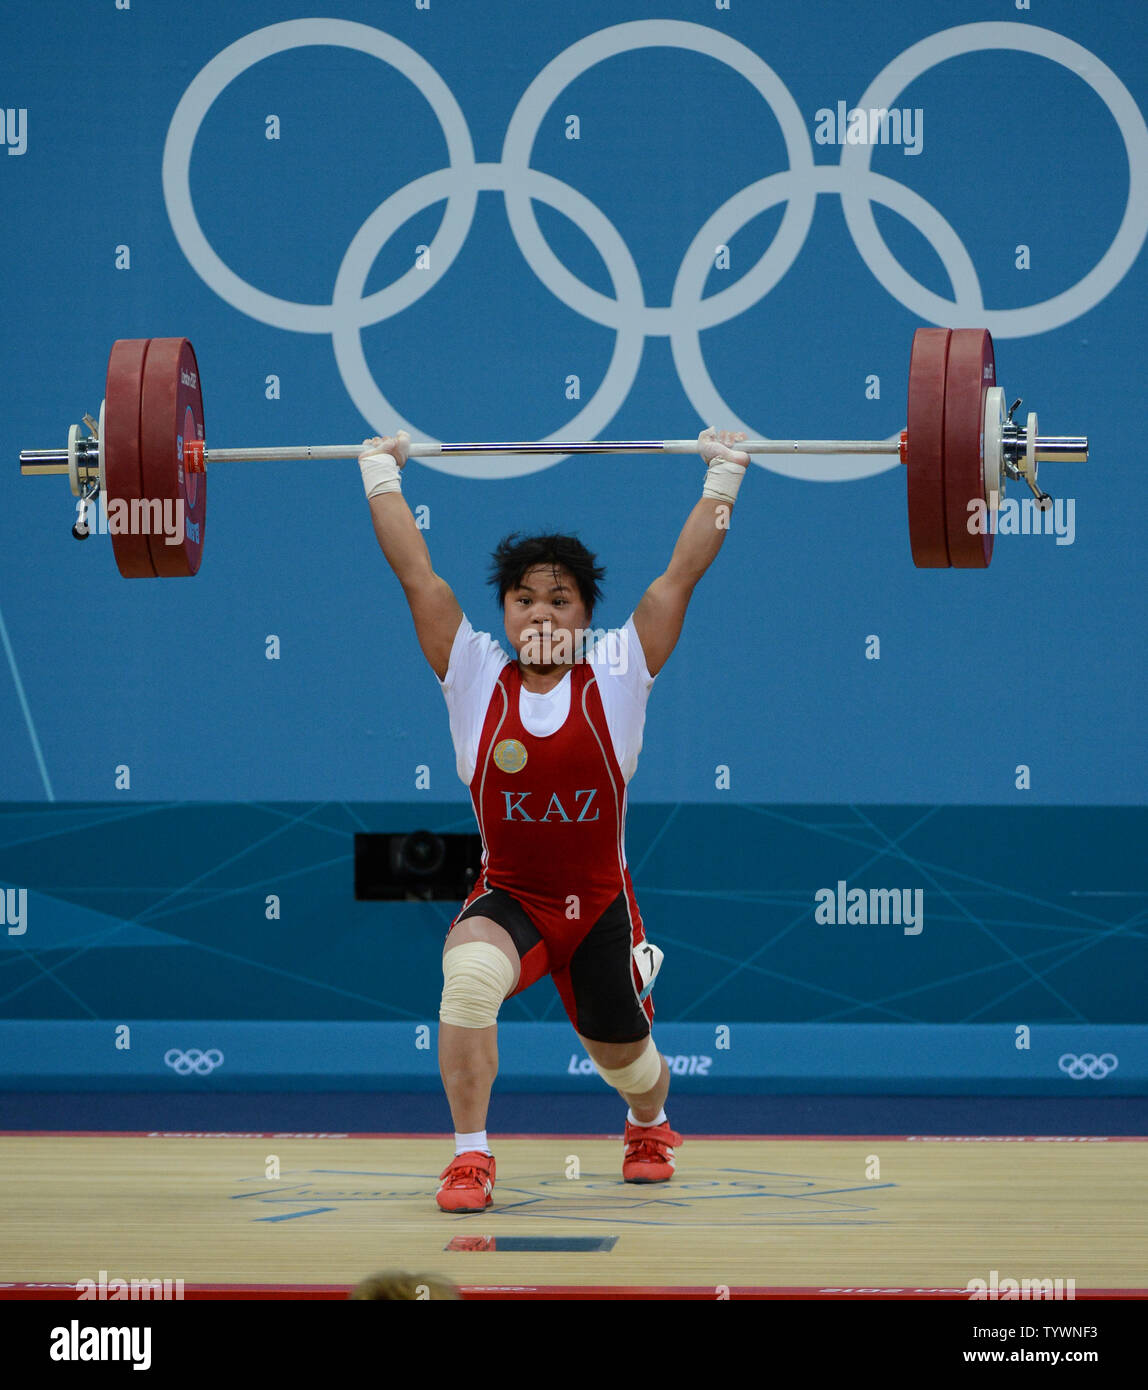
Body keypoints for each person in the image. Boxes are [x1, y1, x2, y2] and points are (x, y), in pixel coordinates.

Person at [358, 426, 750, 1211]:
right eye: (525, 598)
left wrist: (725, 476)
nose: (541, 612)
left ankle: (650, 1122)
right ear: (504, 611)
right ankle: (471, 1157)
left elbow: (679, 579)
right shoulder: (471, 672)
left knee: (629, 1065)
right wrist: (379, 474)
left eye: (560, 600)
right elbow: (417, 576)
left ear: (584, 616)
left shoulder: (618, 671)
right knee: (467, 978)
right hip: (512, 899)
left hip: (601, 906)